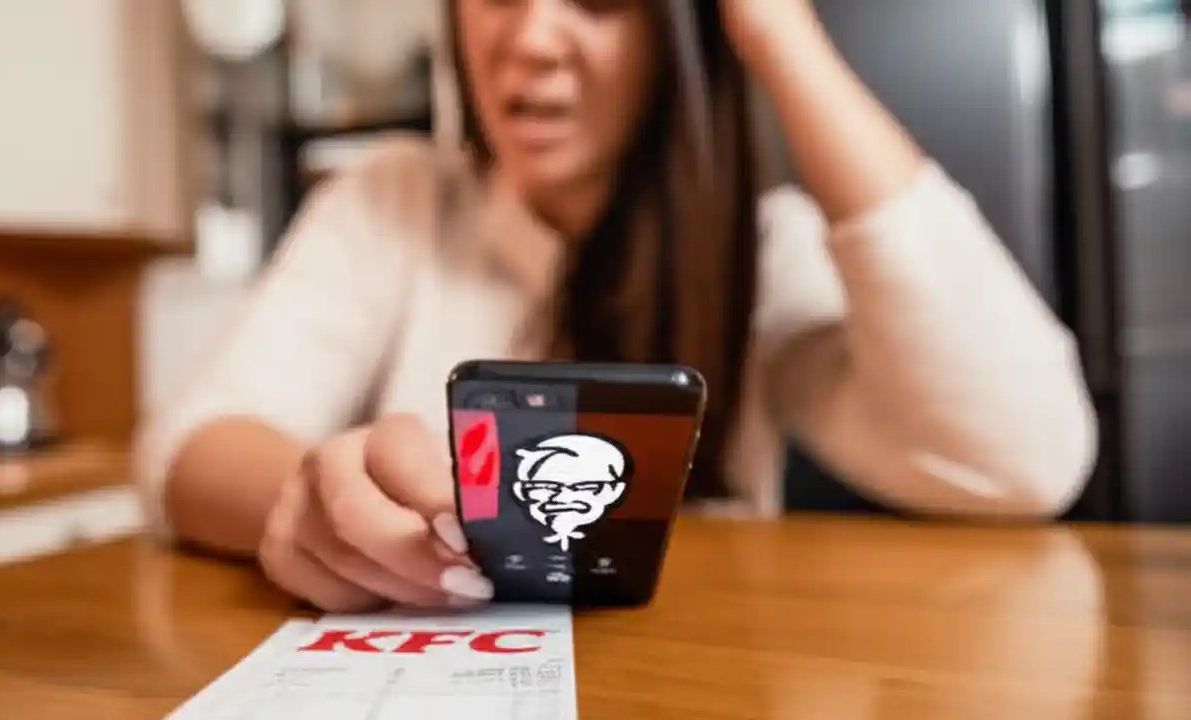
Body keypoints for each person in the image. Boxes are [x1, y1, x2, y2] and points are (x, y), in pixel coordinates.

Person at [137, 0, 1097, 612]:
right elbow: (188, 451)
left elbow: (1022, 458)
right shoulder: (392, 202)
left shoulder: (765, 254)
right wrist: (313, 495)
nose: (531, 37)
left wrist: (776, 32)